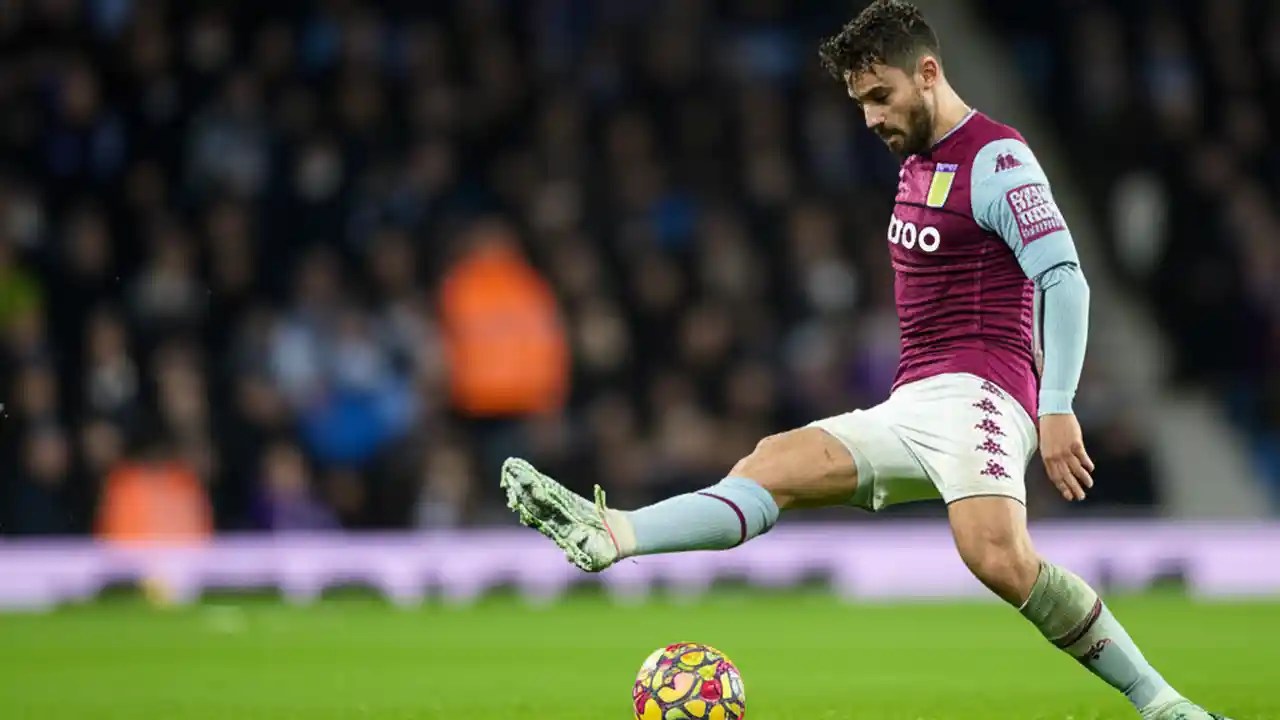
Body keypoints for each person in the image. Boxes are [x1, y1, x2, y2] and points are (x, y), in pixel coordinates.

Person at [500, 2, 1227, 718]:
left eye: (881, 97)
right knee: (770, 466)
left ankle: (1164, 706)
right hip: (913, 402)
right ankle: (613, 534)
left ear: (930, 73)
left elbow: (1064, 278)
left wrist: (1058, 401)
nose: (872, 118)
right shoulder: (915, 163)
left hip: (982, 394)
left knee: (998, 559)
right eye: (860, 103)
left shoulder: (997, 159)